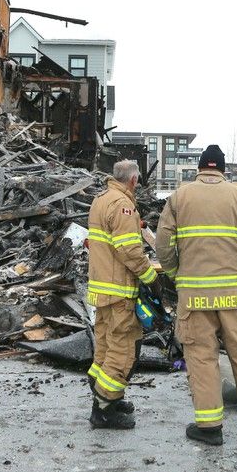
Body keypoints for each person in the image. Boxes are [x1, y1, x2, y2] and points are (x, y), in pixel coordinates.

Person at [156, 144, 237, 445]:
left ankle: (209, 428)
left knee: (201, 359)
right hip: (233, 296)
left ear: (199, 167)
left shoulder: (179, 197)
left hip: (194, 298)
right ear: (223, 169)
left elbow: (163, 244)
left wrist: (175, 273)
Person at [85, 159, 160, 429]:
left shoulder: (101, 200)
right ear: (133, 180)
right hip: (119, 292)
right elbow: (129, 250)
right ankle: (104, 409)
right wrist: (151, 277)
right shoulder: (124, 206)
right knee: (124, 350)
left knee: (104, 347)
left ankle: (106, 396)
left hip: (102, 290)